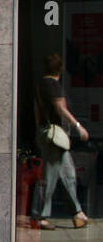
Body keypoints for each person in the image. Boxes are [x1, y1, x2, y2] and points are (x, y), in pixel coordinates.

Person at [31, 52, 90, 230]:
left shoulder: (42, 84)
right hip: (54, 137)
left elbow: (36, 110)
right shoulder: (52, 85)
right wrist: (78, 126)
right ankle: (40, 216)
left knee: (69, 175)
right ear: (60, 69)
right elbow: (60, 109)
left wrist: (39, 131)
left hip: (48, 134)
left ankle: (77, 213)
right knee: (50, 176)